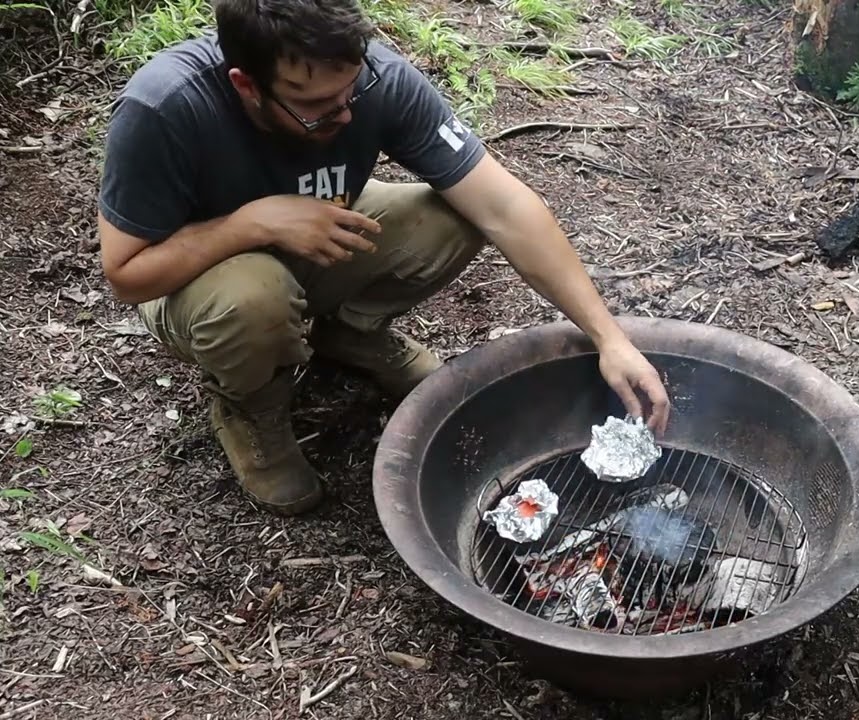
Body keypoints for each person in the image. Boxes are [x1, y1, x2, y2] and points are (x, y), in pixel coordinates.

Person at [95, 0, 671, 516]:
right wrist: (253, 222)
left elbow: (506, 207)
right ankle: (252, 406)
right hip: (200, 281)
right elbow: (127, 275)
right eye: (316, 107)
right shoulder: (166, 107)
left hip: (318, 233)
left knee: (455, 216)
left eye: (350, 92)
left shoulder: (375, 79)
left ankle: (349, 333)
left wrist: (609, 337)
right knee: (254, 297)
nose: (344, 114)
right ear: (247, 85)